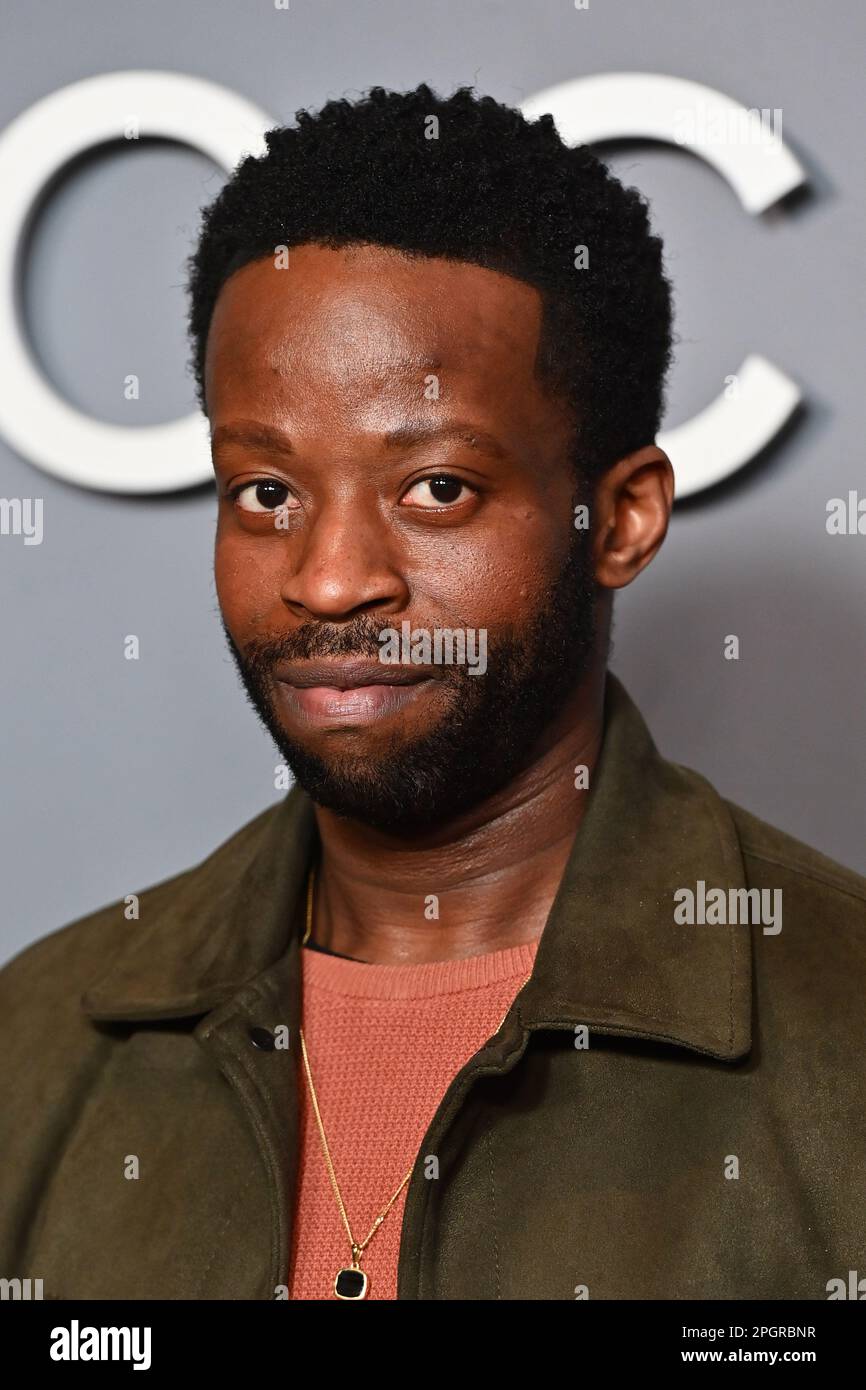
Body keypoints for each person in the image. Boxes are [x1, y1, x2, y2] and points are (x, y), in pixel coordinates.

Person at [1, 83, 864, 1302]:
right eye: (265, 491)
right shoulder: (39, 1041)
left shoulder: (842, 1037)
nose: (329, 579)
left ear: (619, 517)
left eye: (437, 490)